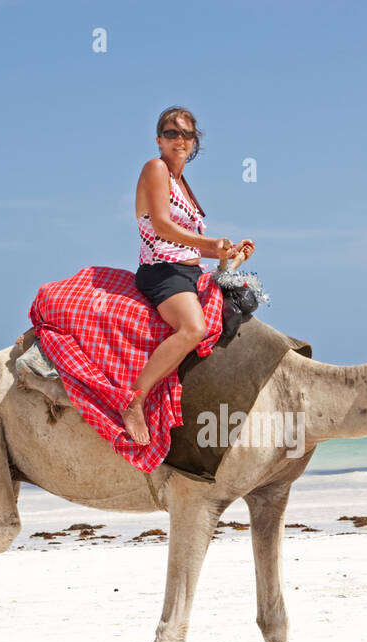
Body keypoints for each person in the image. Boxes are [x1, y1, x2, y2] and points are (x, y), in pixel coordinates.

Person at [123, 106, 255, 444]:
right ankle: (134, 401)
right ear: (159, 140)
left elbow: (193, 246)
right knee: (193, 328)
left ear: (195, 142)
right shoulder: (156, 169)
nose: (179, 140)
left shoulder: (183, 184)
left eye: (186, 134)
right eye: (171, 133)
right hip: (162, 271)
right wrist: (212, 243)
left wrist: (228, 252)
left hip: (188, 270)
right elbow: (163, 226)